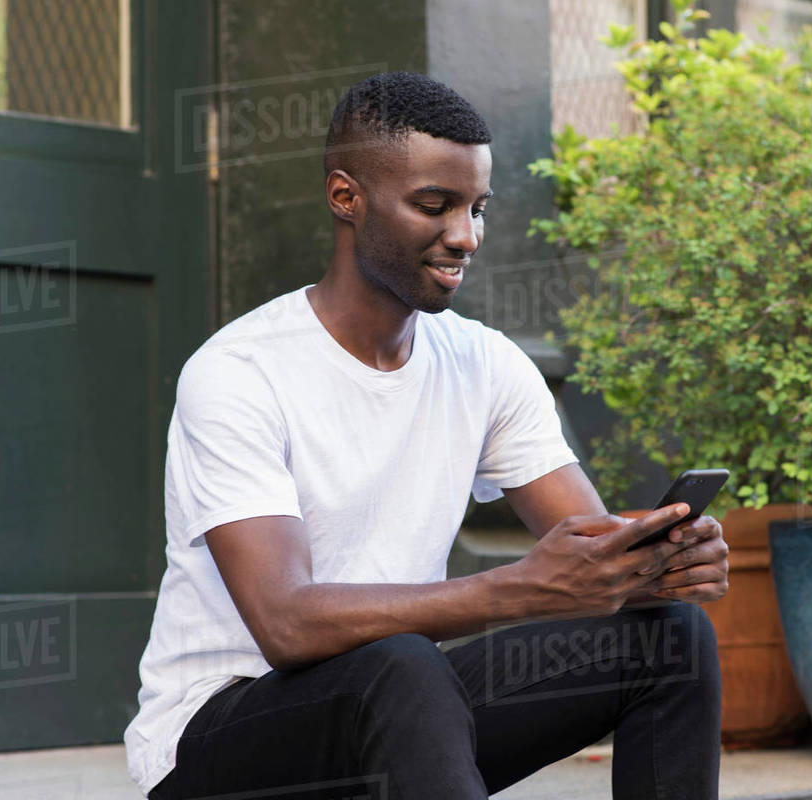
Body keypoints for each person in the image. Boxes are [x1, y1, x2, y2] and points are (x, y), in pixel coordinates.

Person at [125, 71, 728, 800]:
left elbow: (583, 549)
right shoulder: (238, 373)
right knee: (404, 664)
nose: (465, 236)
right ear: (346, 197)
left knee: (670, 637)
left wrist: (650, 568)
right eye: (434, 206)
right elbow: (285, 624)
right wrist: (517, 588)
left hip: (402, 716)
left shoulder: (486, 364)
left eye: (478, 208)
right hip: (220, 742)